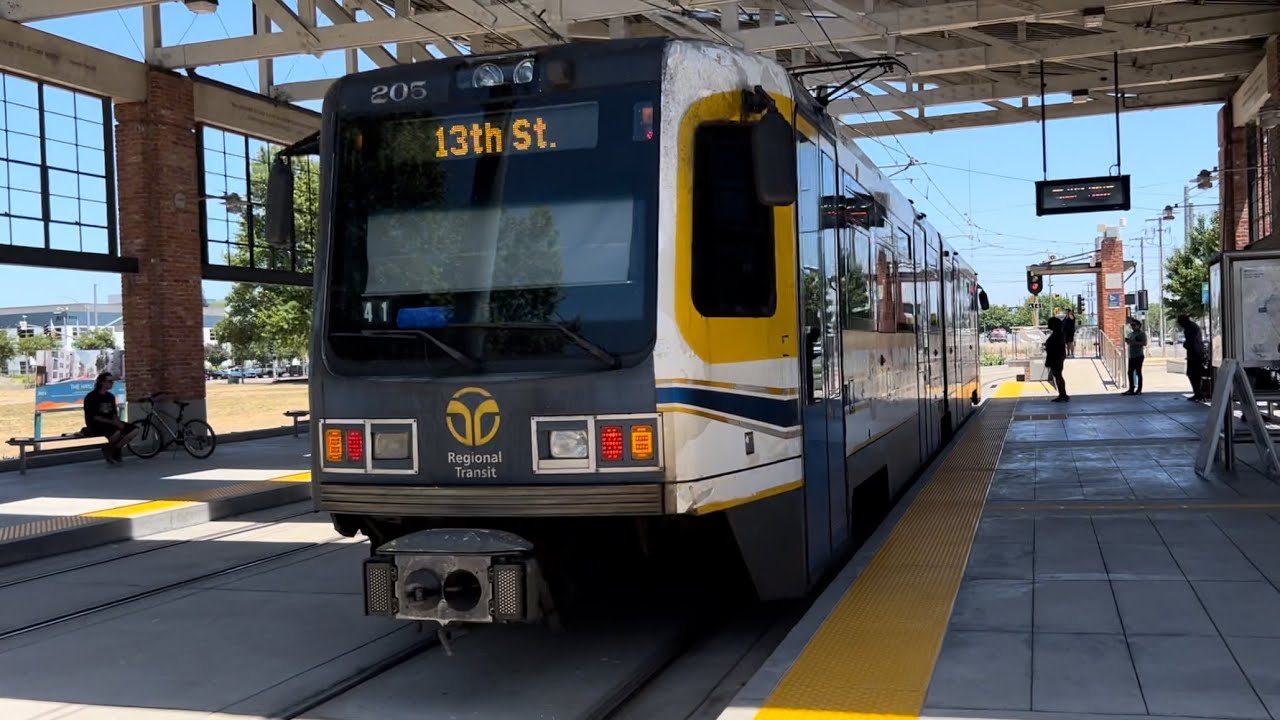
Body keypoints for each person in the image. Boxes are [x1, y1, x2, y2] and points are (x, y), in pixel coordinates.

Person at [82, 372, 138, 464]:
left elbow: (114, 413)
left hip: (111, 422)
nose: (112, 383)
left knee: (134, 430)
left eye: (112, 382)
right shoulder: (91, 397)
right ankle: (107, 449)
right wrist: (112, 422)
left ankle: (117, 447)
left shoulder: (110, 397)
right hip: (96, 424)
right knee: (117, 432)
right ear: (102, 382)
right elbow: (94, 416)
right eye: (109, 381)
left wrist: (118, 422)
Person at [1178, 314, 1208, 401]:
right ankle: (1198, 392)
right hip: (1197, 353)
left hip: (1194, 354)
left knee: (1193, 373)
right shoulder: (1193, 327)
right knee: (1195, 374)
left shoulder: (1190, 328)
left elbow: (1191, 342)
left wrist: (1186, 344)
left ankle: (1198, 393)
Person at [1044, 316, 1069, 402]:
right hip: (1057, 357)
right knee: (1058, 376)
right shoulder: (1059, 333)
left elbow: (1056, 346)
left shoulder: (1057, 334)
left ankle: (1062, 394)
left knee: (1058, 376)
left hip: (1056, 358)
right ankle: (1063, 394)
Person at [1122, 318, 1147, 395]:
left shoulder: (1141, 334)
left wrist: (1134, 342)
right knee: (1130, 372)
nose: (1132, 326)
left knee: (1138, 372)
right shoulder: (1131, 334)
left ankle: (1139, 390)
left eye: (1134, 325)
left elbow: (1144, 343)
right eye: (1131, 325)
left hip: (1138, 355)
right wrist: (1128, 341)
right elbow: (1130, 343)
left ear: (1139, 325)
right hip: (1131, 355)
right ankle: (1131, 389)